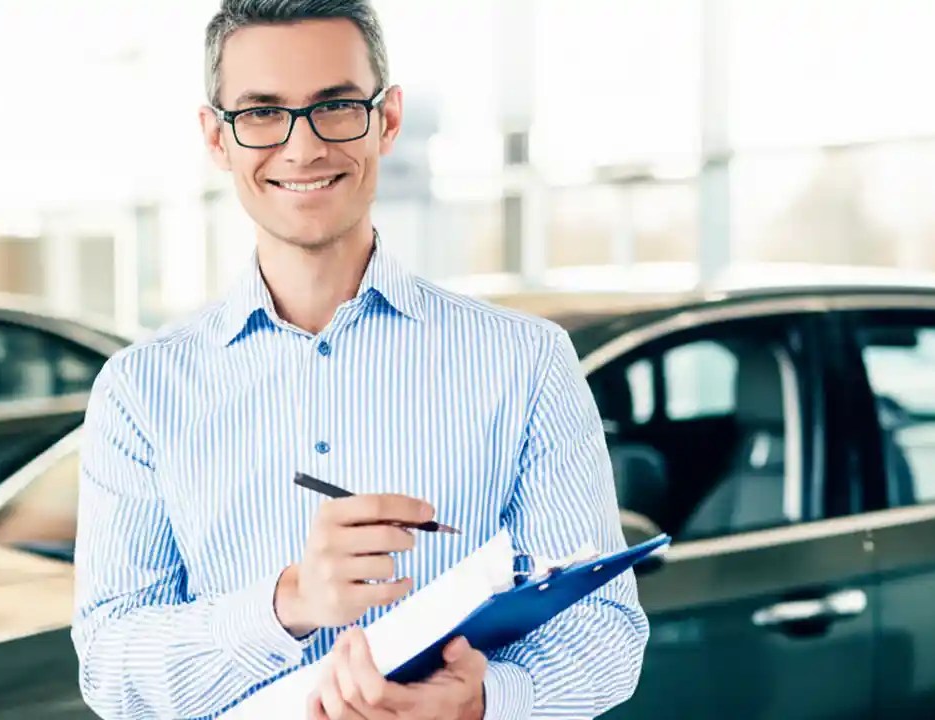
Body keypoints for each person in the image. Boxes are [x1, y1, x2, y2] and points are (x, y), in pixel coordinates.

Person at [71, 1, 648, 718]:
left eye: (336, 106)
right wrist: (288, 604)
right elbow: (110, 668)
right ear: (216, 138)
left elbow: (606, 634)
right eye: (261, 114)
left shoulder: (525, 362)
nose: (303, 148)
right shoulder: (142, 390)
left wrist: (484, 703)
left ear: (389, 118)